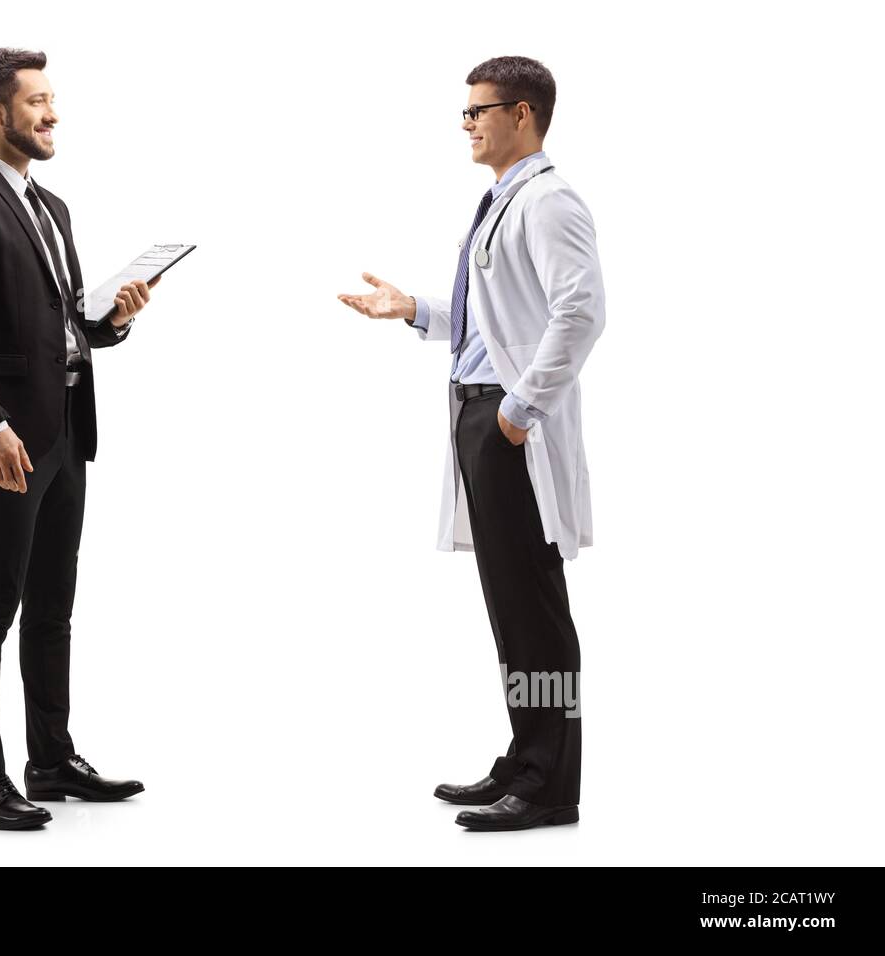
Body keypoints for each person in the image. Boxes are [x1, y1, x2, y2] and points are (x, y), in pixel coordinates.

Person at [337, 56, 605, 831]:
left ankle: (550, 782)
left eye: (477, 111)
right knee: (510, 607)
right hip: (479, 418)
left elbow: (581, 312)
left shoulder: (550, 202)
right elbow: (501, 319)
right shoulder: (499, 201)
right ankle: (527, 758)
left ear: (522, 114)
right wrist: (415, 308)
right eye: (465, 112)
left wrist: (519, 412)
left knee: (537, 610)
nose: (467, 124)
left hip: (509, 426)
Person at [0, 47, 156, 830]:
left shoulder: (52, 208)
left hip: (67, 429)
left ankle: (50, 759)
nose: (52, 114)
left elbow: (64, 323)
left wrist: (111, 322)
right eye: (37, 102)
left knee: (53, 604)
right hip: (8, 436)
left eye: (53, 101)